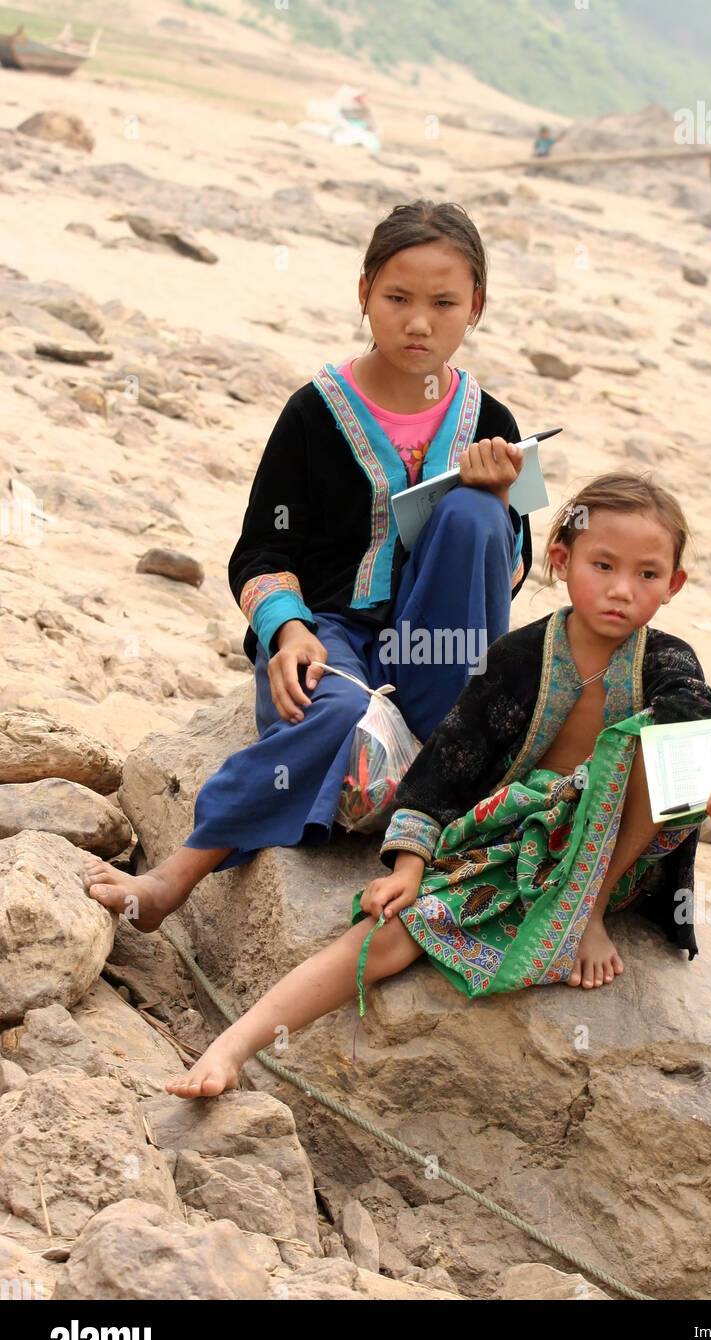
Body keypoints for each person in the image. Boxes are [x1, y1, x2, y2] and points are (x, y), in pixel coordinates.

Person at [164, 472, 711, 1099]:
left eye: (647, 575)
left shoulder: (669, 660)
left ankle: (587, 911)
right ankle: (234, 1046)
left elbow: (695, 725)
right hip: (520, 840)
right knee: (401, 930)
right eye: (603, 565)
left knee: (654, 742)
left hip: (619, 849)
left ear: (674, 585)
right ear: (561, 561)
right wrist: (407, 865)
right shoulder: (519, 656)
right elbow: (448, 762)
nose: (622, 590)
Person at [82, 200, 531, 931]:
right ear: (363, 295)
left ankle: (441, 753)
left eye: (444, 303)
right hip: (333, 634)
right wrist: (289, 631)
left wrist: (504, 505)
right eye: (397, 298)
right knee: (339, 711)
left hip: (446, 657)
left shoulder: (494, 424)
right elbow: (263, 549)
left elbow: (509, 578)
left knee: (477, 511)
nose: (419, 322)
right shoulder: (314, 414)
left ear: (475, 307)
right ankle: (179, 874)